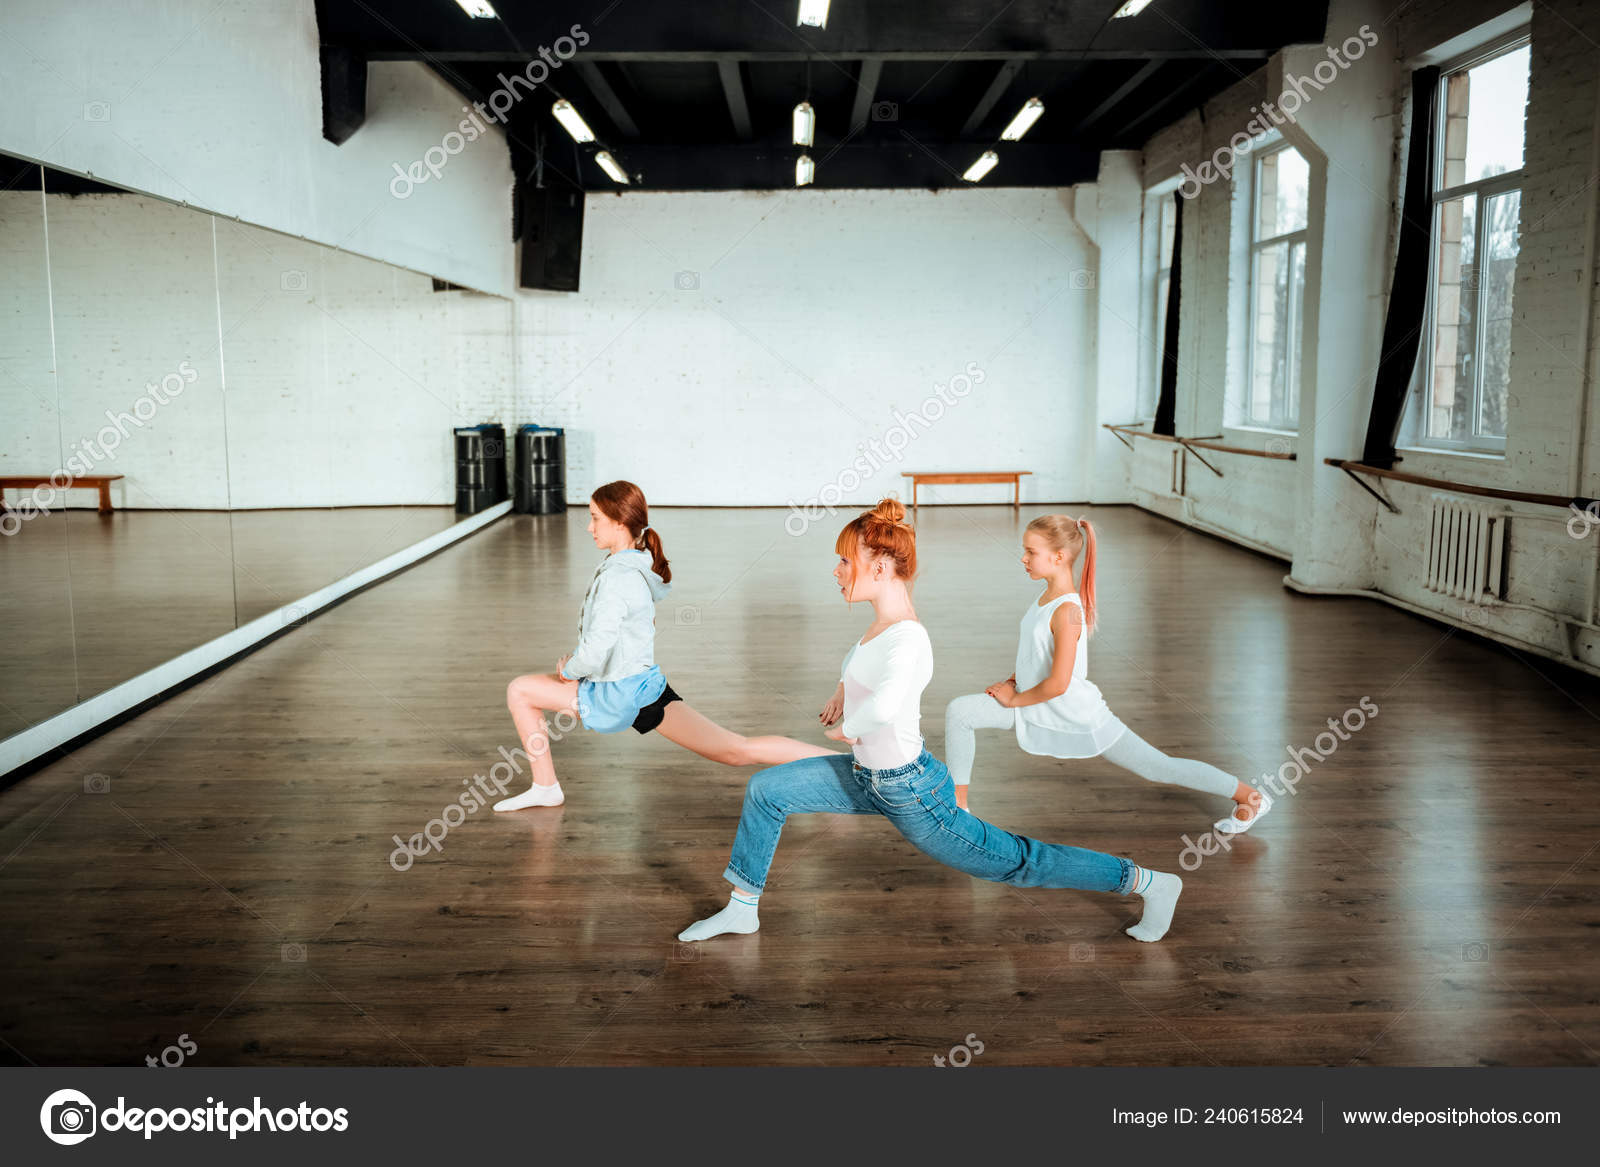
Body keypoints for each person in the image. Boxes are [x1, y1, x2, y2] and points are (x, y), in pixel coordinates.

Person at [677, 498, 1184, 944]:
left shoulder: (910, 638)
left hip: (911, 792)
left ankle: (1148, 883)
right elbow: (864, 659)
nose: (835, 570)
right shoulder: (883, 625)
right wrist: (840, 689)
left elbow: (888, 699)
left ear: (878, 566)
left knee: (1018, 863)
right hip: (865, 777)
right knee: (769, 791)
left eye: (843, 561)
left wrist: (851, 724)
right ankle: (742, 910)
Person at [495, 480, 836, 811]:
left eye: (595, 518)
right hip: (645, 686)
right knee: (736, 750)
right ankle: (842, 764)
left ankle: (545, 787)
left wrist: (569, 669)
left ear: (619, 523)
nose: (589, 527)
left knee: (520, 691)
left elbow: (598, 650)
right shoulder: (636, 565)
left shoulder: (619, 577)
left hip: (617, 696)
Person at [943, 514, 1270, 835]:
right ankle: (960, 809)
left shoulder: (1068, 611)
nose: (1023, 559)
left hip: (1073, 712)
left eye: (1031, 552)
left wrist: (1014, 700)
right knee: (960, 712)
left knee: (1158, 767)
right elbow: (1037, 653)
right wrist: (1013, 680)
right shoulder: (1046, 596)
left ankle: (1250, 797)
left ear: (1058, 557)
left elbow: (1058, 684)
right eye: (1024, 550)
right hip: (1034, 702)